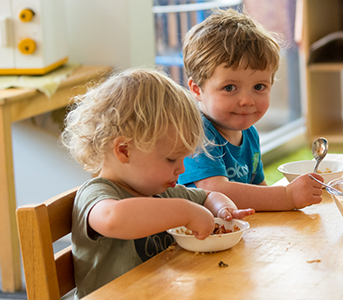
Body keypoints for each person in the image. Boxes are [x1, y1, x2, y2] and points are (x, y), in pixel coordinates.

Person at [63, 68, 255, 298]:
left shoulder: (160, 190)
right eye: (172, 159)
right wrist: (186, 212)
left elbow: (208, 196)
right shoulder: (97, 194)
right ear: (124, 150)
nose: (181, 169)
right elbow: (113, 219)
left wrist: (222, 209)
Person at [179, 8, 323, 210]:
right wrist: (286, 196)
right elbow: (215, 190)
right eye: (229, 88)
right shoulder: (195, 133)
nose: (247, 100)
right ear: (197, 89)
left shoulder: (249, 133)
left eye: (259, 87)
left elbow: (257, 189)